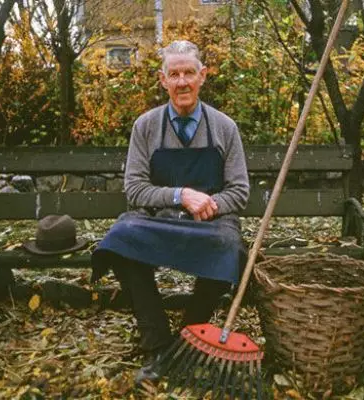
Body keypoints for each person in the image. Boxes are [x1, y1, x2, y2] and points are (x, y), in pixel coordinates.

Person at [91, 40, 250, 384]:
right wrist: (180, 196)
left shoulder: (225, 127)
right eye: (174, 74)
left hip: (209, 226)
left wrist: (209, 205)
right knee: (120, 238)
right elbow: (134, 189)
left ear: (202, 76)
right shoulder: (145, 127)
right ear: (162, 80)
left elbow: (239, 192)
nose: (182, 82)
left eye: (189, 73)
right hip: (158, 221)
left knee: (231, 249)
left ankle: (190, 335)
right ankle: (158, 341)